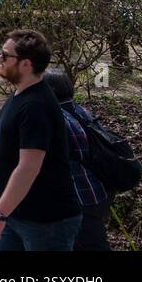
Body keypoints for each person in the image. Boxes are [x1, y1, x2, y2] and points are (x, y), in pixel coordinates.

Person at [0, 30, 82, 250]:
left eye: (5, 55)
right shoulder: (21, 95)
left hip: (46, 222)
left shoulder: (37, 106)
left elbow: (29, 167)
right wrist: (3, 211)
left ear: (26, 64)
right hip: (15, 214)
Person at [41, 69, 110, 251]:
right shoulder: (81, 111)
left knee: (92, 245)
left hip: (79, 197)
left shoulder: (57, 119)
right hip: (99, 191)